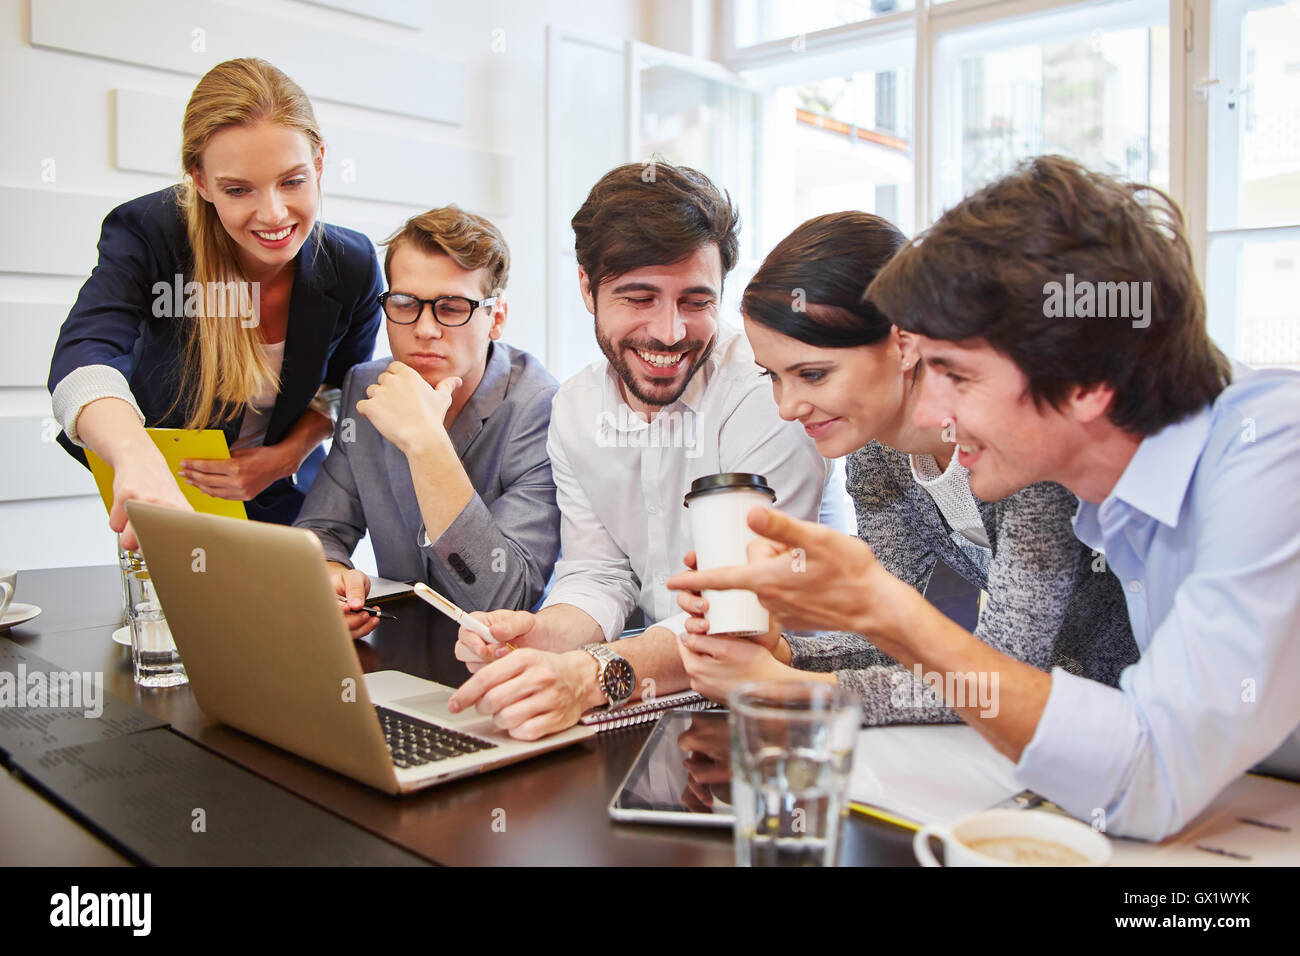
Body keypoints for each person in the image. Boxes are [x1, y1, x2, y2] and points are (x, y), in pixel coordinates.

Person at [669, 155, 1300, 841]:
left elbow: (1144, 772)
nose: (930, 406)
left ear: (1085, 382)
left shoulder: (1273, 456)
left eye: (955, 375)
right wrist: (812, 648)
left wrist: (876, 621)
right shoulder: (1110, 498)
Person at [674, 212, 1137, 715]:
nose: (788, 407)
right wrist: (783, 653)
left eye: (813, 374)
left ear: (904, 344)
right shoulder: (877, 456)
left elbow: (1003, 671)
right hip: (1046, 726)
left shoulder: (1018, 446)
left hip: (1122, 719)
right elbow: (905, 634)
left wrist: (795, 688)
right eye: (774, 376)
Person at [447, 161, 849, 740]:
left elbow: (739, 612)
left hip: (793, 707)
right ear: (587, 287)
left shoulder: (767, 394)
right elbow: (599, 573)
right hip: (672, 700)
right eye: (639, 298)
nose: (669, 332)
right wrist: (538, 637)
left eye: (694, 300)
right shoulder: (577, 410)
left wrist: (590, 676)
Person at [47, 58, 381, 549]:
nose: (273, 214)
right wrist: (134, 456)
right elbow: (84, 359)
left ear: (320, 162)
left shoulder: (352, 264)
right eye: (238, 189)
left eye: (292, 181)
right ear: (200, 182)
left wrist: (286, 456)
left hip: (284, 501)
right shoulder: (149, 232)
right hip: (168, 495)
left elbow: (342, 392)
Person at [294, 207, 561, 637]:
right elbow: (321, 529)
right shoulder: (366, 385)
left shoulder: (540, 407)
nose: (424, 329)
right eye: (404, 303)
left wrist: (427, 444)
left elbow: (506, 598)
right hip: (400, 653)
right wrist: (330, 574)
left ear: (496, 318)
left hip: (508, 666)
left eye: (452, 308)